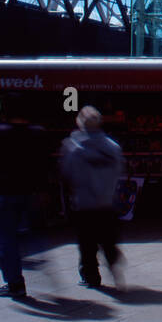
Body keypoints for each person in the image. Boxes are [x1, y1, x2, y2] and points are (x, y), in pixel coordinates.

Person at [0, 94, 49, 298]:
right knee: (32, 233)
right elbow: (44, 166)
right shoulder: (39, 133)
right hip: (30, 192)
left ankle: (15, 282)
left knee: (7, 239)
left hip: (4, 192)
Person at [59, 106, 126, 290]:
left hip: (84, 203)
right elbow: (120, 170)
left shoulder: (73, 147)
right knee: (107, 238)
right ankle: (113, 261)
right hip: (107, 201)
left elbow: (67, 174)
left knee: (86, 242)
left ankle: (91, 275)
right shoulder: (113, 147)